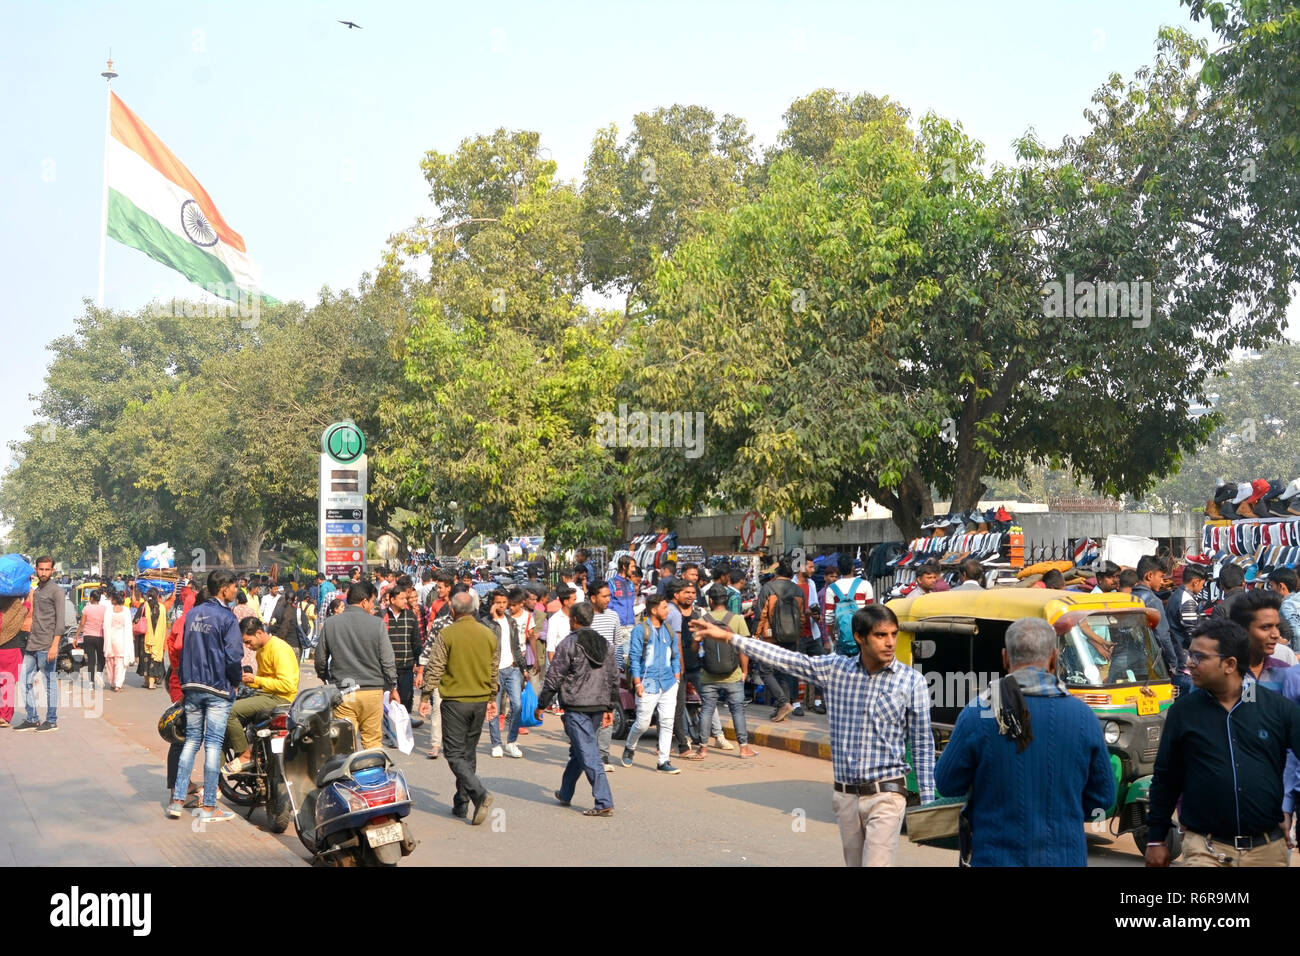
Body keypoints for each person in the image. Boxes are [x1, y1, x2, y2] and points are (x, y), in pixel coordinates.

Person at [691, 603, 936, 867]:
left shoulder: (912, 681)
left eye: (893, 634)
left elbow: (922, 744)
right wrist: (730, 638)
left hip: (888, 794)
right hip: (846, 796)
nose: (889, 643)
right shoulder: (835, 670)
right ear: (859, 637)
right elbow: (785, 658)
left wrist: (929, 802)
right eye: (880, 635)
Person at [934, 618, 1114, 866]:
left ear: (1005, 658)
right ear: (1054, 659)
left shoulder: (979, 712)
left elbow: (946, 784)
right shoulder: (1084, 716)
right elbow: (1103, 799)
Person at [1146, 619, 1300, 867]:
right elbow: (1166, 777)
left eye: (1199, 657)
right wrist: (1156, 840)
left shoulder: (1276, 709)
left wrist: (1289, 810)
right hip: (1204, 848)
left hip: (1267, 851)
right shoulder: (1184, 712)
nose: (1189, 663)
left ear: (1229, 664)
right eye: (1189, 654)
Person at [167, 570, 243, 823]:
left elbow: (185, 650)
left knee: (191, 742)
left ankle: (177, 801)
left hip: (192, 686)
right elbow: (233, 657)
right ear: (223, 589)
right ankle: (209, 805)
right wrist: (235, 682)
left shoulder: (192, 615)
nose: (236, 591)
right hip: (217, 688)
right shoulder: (226, 617)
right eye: (234, 587)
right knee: (212, 745)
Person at [419, 591, 499, 824]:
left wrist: (425, 696)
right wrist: (493, 697)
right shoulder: (488, 634)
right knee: (468, 752)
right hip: (480, 700)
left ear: (452, 611)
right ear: (473, 609)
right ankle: (461, 802)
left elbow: (435, 666)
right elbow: (493, 670)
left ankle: (478, 793)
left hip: (455, 701)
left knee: (454, 754)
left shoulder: (447, 634)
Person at [536, 601, 617, 815]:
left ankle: (603, 800)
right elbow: (613, 677)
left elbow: (553, 678)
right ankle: (565, 792)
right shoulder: (605, 644)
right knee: (580, 751)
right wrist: (610, 707)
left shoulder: (569, 643)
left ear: (574, 620)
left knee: (588, 752)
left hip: (577, 705)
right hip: (598, 705)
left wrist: (541, 704)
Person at [315, 581, 398, 750]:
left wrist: (326, 678)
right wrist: (392, 686)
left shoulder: (331, 624)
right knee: (373, 743)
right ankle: (373, 775)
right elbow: (388, 661)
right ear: (364, 601)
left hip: (344, 693)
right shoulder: (377, 624)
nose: (373, 606)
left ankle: (345, 776)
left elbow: (320, 659)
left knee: (343, 744)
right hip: (372, 692)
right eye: (372, 601)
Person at [223, 617, 300, 772]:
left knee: (230, 711)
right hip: (266, 695)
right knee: (221, 732)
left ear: (258, 633)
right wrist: (249, 680)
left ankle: (245, 755)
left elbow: (287, 685)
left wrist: (256, 679)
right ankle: (216, 783)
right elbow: (265, 680)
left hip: (280, 698)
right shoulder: (261, 651)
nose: (247, 646)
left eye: (248, 642)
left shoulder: (279, 648)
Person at [621, 593, 682, 773]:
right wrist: (638, 683)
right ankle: (630, 746)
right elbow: (634, 657)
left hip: (669, 683)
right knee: (642, 723)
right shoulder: (641, 630)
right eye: (664, 607)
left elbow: (675, 655)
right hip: (647, 684)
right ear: (654, 610)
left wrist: (677, 678)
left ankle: (663, 760)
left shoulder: (669, 630)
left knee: (667, 722)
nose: (667, 610)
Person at [694, 585, 757, 759]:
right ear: (727, 600)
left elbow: (695, 646)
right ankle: (744, 748)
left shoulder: (703, 619)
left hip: (708, 675)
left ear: (710, 601)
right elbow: (743, 650)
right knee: (737, 710)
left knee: (707, 710)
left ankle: (703, 749)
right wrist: (745, 671)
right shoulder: (737, 619)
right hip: (733, 674)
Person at [16, 556, 64, 733]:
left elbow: (60, 622)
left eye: (47, 570)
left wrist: (54, 645)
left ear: (52, 571)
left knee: (49, 683)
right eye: (40, 569)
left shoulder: (57, 591)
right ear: (35, 570)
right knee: (24, 681)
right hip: (32, 644)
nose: (43, 573)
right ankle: (32, 718)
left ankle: (51, 720)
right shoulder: (36, 592)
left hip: (47, 645)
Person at [753, 559, 804, 723]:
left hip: (770, 637)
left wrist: (756, 634)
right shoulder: (798, 590)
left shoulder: (768, 588)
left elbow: (761, 614)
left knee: (765, 671)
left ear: (777, 573)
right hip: (792, 637)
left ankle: (783, 703)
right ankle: (783, 705)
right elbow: (801, 617)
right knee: (783, 672)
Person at [481, 587, 527, 758]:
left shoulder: (510, 621)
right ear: (492, 604)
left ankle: (512, 741)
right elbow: (485, 641)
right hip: (493, 671)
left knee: (517, 705)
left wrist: (523, 668)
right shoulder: (485, 622)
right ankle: (496, 743)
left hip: (512, 668)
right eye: (498, 602)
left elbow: (516, 646)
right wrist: (492, 619)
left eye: (504, 602)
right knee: (494, 707)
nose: (501, 606)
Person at [1132, 555, 1187, 697]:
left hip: (1131, 662)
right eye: (1161, 577)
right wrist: (1173, 663)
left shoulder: (1130, 598)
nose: (1163, 582)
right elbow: (1163, 636)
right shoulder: (1153, 601)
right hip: (1152, 664)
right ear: (1149, 576)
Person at [588, 582, 624, 767]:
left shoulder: (613, 616)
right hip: (588, 675)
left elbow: (618, 643)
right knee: (589, 714)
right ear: (593, 598)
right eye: (604, 596)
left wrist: (616, 668)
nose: (608, 599)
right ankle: (588, 751)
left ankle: (603, 754)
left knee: (607, 711)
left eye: (609, 596)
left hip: (608, 673)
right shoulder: (585, 616)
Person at [1229, 588, 1290, 692]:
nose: (1276, 635)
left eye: (1277, 626)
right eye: (1265, 627)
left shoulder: (1285, 671)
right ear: (1241, 629)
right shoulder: (1220, 673)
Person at [383, 578, 424, 730]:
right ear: (392, 600)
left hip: (406, 665)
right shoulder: (382, 617)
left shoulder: (411, 617)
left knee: (406, 696)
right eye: (401, 598)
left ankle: (404, 723)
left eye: (405, 598)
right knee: (389, 698)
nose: (405, 601)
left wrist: (420, 666)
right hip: (387, 667)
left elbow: (416, 643)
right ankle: (391, 729)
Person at [1165, 564, 1207, 652]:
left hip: (1175, 646)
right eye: (1202, 584)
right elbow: (1191, 633)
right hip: (1182, 650)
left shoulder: (1176, 593)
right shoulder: (1188, 601)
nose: (1202, 588)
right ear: (1196, 582)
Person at [138, 590, 170, 690]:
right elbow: (165, 622)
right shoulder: (162, 608)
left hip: (145, 638)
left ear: (147, 596)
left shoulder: (144, 606)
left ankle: (146, 681)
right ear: (157, 596)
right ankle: (151, 684)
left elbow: (136, 619)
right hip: (158, 638)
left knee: (145, 659)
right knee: (154, 659)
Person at [74, 589, 107, 686]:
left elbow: (82, 623)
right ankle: (99, 672)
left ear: (91, 598)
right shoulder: (104, 609)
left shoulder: (86, 609)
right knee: (101, 657)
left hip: (88, 636)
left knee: (91, 660)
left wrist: (76, 636)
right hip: (100, 636)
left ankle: (91, 683)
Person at [102, 591, 134, 692]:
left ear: (114, 599)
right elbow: (128, 627)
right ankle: (118, 684)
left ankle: (112, 682)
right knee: (120, 663)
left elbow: (105, 626)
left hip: (110, 639)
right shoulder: (126, 611)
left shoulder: (109, 610)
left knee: (110, 662)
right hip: (122, 640)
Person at [609, 555, 637, 627]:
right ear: (624, 567)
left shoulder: (631, 584)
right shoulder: (612, 583)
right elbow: (609, 606)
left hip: (630, 625)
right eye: (632, 566)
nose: (634, 569)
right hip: (618, 626)